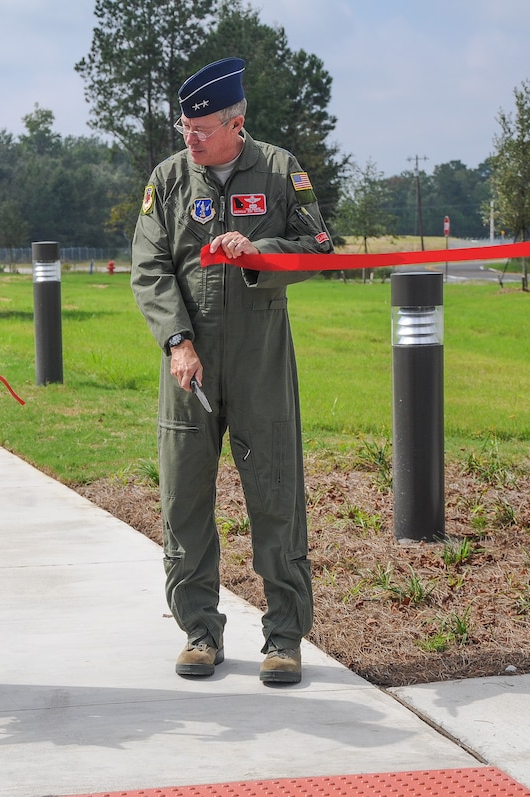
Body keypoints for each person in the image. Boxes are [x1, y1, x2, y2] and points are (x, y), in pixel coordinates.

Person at [130, 57, 334, 685]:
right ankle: (198, 631)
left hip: (261, 356)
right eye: (183, 127)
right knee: (184, 497)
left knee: (275, 495)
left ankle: (283, 639)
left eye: (201, 128)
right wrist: (177, 341)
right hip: (189, 362)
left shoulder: (278, 170)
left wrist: (262, 252)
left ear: (235, 122)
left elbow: (320, 250)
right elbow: (149, 266)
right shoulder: (167, 180)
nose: (189, 139)